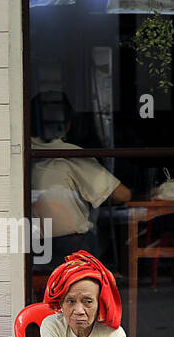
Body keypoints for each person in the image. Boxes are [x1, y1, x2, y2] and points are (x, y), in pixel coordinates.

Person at [30, 93, 131, 266]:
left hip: (30, 246)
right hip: (68, 248)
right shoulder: (70, 154)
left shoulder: (21, 154)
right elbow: (123, 195)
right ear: (67, 125)